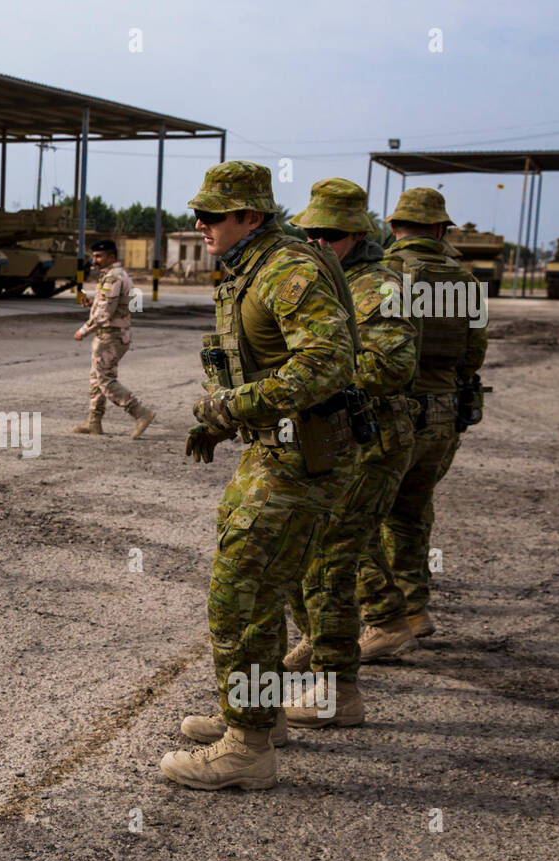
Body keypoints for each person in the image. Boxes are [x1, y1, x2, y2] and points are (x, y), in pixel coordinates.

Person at [162, 162, 358, 790]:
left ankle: (246, 748)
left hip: (301, 457)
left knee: (238, 597)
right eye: (198, 213)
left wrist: (230, 407)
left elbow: (327, 365)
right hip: (279, 450)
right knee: (262, 594)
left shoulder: (287, 269)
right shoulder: (254, 268)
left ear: (251, 216)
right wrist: (226, 422)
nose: (200, 224)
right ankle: (261, 719)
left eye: (212, 215)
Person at [281, 179, 417, 719]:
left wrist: (315, 370)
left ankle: (338, 691)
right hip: (340, 438)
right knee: (308, 549)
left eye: (328, 234)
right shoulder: (333, 279)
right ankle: (323, 643)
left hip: (376, 439)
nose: (316, 241)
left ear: (355, 236)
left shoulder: (375, 286)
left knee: (330, 557)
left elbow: (392, 366)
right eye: (309, 231)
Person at [355, 188, 488, 656]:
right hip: (446, 413)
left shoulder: (386, 275)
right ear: (439, 229)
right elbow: (474, 354)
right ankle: (415, 608)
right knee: (412, 514)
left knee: (362, 516)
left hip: (397, 413)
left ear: (394, 228)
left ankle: (384, 615)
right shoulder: (468, 282)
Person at [72, 239, 156, 438]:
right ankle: (94, 422)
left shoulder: (113, 278)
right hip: (111, 334)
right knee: (96, 379)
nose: (95, 260)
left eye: (99, 256)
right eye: (93, 256)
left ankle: (140, 413)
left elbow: (104, 315)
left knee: (105, 379)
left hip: (111, 337)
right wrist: (92, 302)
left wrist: (83, 331)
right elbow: (114, 305)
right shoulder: (113, 276)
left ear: (111, 257)